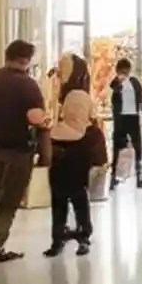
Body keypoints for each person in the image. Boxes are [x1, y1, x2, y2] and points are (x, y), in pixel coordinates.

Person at [0, 40, 48, 263]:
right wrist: (46, 120)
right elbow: (35, 117)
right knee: (8, 203)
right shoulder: (28, 85)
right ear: (27, 60)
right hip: (17, 153)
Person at [43, 91, 107, 257]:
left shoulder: (54, 131)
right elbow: (101, 159)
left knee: (58, 208)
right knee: (81, 206)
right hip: (80, 178)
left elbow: (44, 154)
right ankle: (83, 237)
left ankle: (57, 240)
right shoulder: (92, 133)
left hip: (57, 176)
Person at [109, 58, 142, 189]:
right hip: (122, 119)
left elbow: (141, 96)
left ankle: (138, 176)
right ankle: (114, 176)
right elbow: (113, 88)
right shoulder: (117, 84)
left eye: (125, 70)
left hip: (131, 117)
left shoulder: (134, 82)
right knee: (117, 147)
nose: (124, 73)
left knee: (136, 147)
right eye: (121, 71)